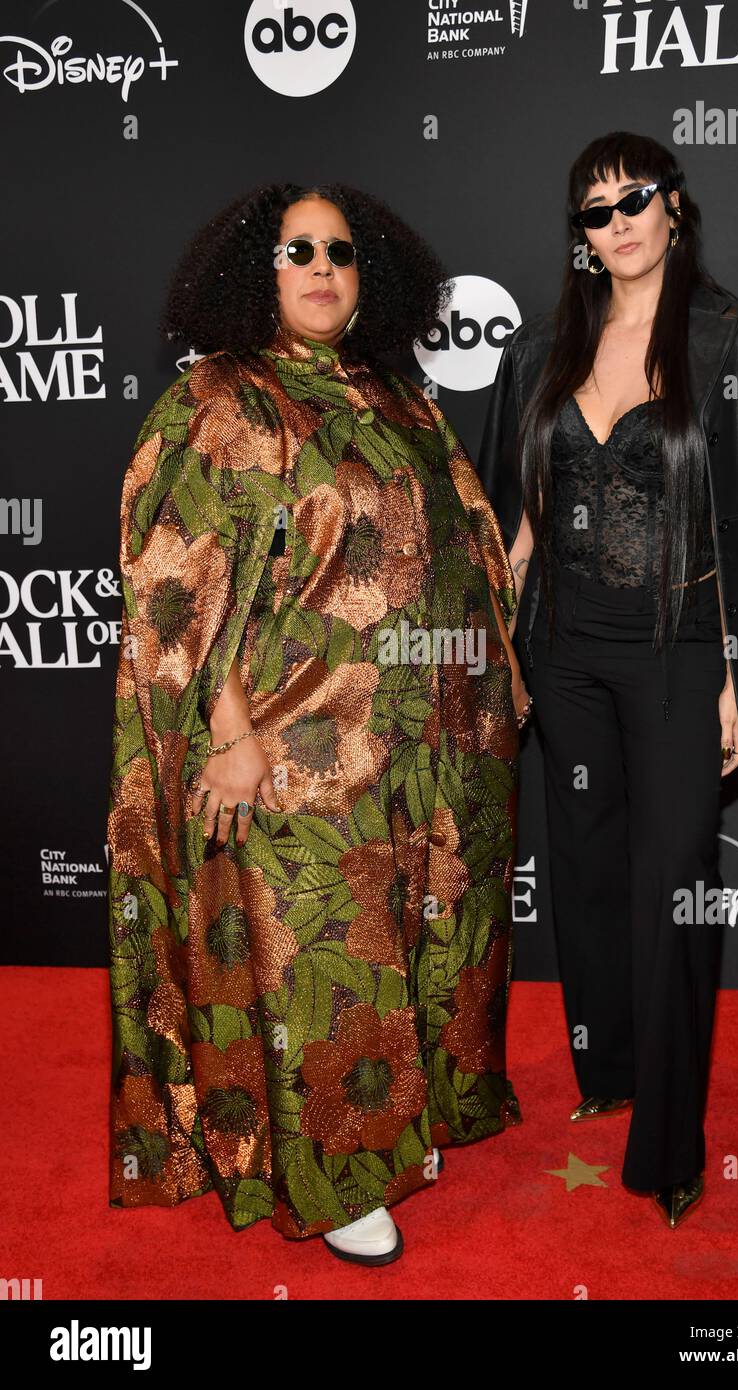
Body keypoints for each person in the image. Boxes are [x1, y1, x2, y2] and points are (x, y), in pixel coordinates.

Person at [106, 181, 530, 1265]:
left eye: (340, 250)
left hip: (419, 735)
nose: (322, 267)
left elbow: (460, 550)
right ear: (259, 269)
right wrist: (229, 736)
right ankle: (336, 1177)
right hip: (297, 743)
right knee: (323, 959)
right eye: (298, 249)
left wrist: (494, 670)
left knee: (413, 936)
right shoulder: (224, 398)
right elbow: (176, 589)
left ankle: (407, 1121)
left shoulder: (396, 395)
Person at [477, 131, 738, 1229]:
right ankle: (609, 1072)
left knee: (673, 890)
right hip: (566, 654)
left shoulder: (736, 340)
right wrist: (505, 649)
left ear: (676, 206)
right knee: (583, 871)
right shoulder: (537, 355)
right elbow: (516, 517)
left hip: (678, 655)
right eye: (595, 210)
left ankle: (669, 1143)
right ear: (579, 236)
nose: (617, 220)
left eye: (636, 198)